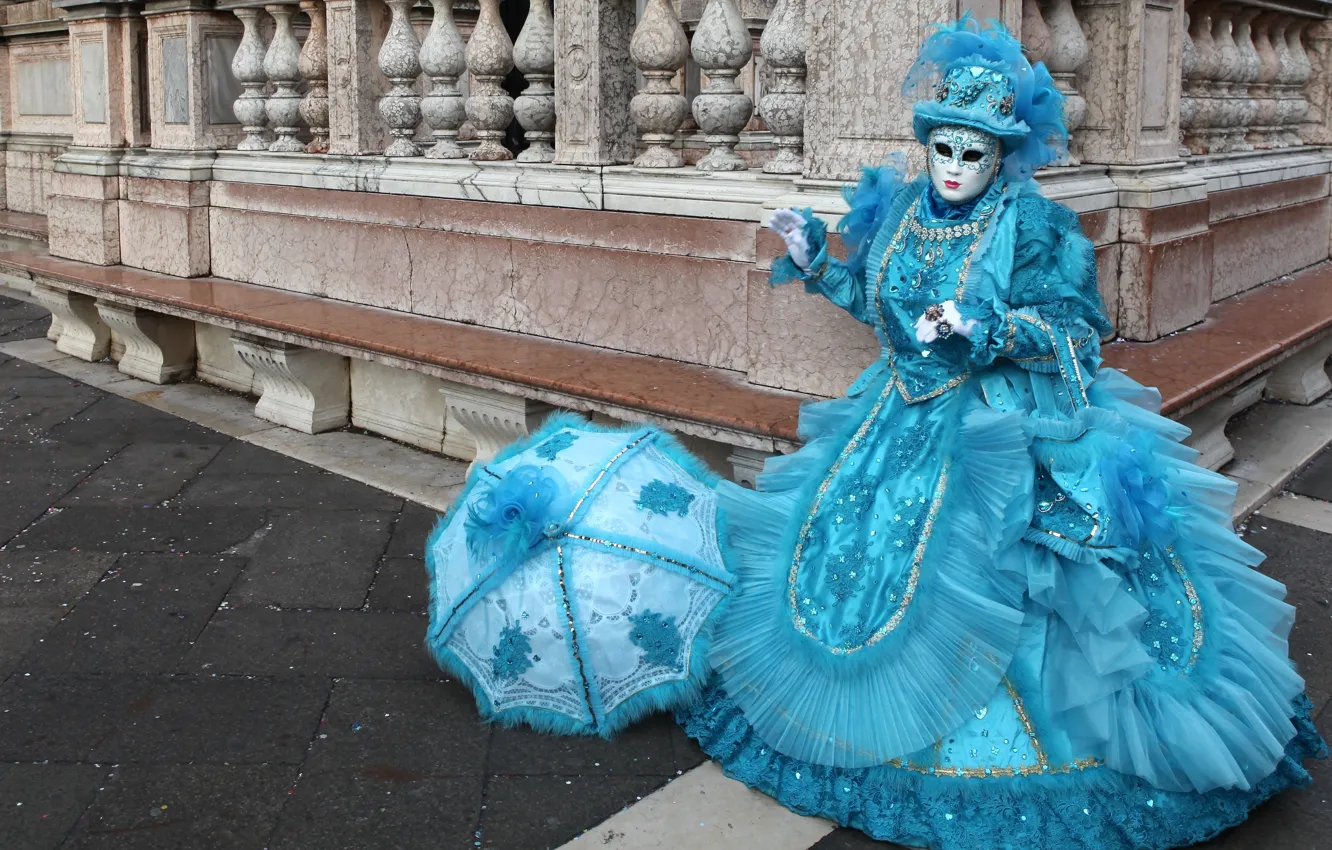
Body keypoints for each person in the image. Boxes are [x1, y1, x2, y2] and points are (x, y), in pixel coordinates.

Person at [670, 17, 1327, 849]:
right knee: (854, 572)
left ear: (1001, 154)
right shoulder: (907, 210)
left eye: (971, 154)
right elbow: (885, 313)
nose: (952, 170)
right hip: (900, 417)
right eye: (943, 149)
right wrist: (819, 263)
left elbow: (1079, 335)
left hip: (1000, 421)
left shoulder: (1034, 226)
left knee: (1031, 571)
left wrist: (988, 330)